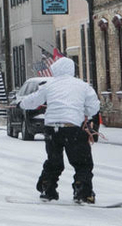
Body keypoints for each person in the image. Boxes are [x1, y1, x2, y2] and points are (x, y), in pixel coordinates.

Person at [18, 57, 102, 203]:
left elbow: (33, 100)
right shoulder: (83, 86)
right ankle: (82, 190)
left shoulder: (49, 85)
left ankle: (47, 188)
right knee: (82, 162)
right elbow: (94, 107)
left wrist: (21, 104)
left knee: (54, 161)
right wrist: (84, 112)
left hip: (52, 129)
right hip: (73, 128)